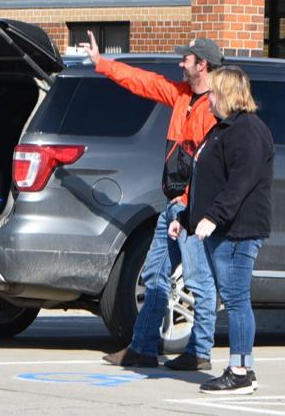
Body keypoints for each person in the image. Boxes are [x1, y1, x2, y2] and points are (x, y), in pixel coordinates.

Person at [85, 32, 220, 371]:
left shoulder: (216, 107)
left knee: (198, 281)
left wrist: (190, 206)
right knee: (155, 276)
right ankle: (143, 347)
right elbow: (144, 82)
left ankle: (200, 351)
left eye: (186, 59)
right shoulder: (181, 95)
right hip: (173, 204)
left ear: (202, 65)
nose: (180, 63)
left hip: (193, 208)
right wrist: (103, 63)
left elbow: (211, 168)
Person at [169, 65, 274, 395]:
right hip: (223, 229)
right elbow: (208, 181)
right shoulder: (224, 129)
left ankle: (240, 371)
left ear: (227, 94)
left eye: (213, 92)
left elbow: (240, 183)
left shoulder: (246, 131)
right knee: (234, 298)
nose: (208, 98)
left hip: (238, 231)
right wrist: (186, 218)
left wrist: (214, 217)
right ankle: (244, 368)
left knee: (236, 299)